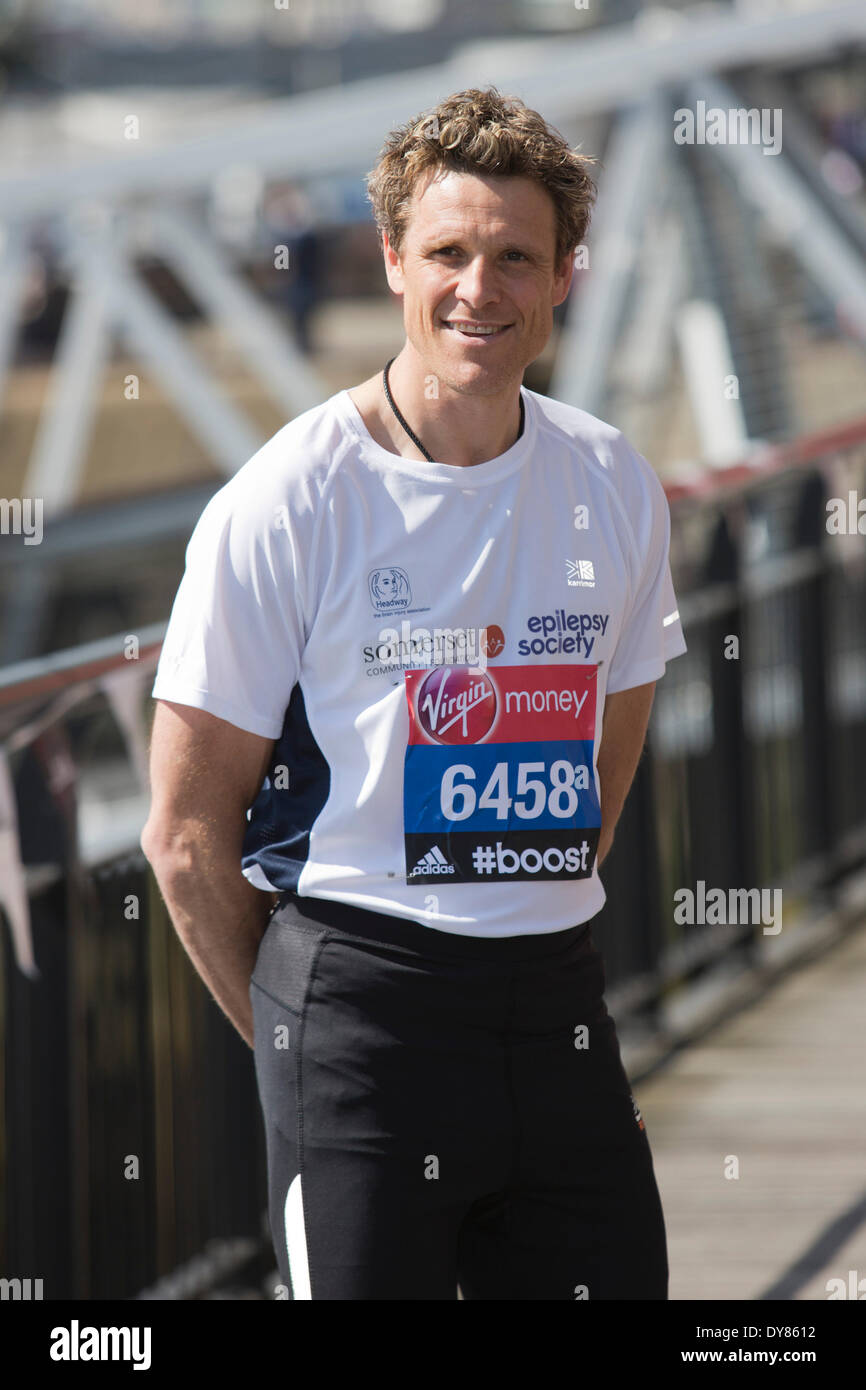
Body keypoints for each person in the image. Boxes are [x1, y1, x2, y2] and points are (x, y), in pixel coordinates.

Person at [142, 86, 688, 1301]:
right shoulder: (288, 498)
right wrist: (306, 1044)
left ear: (560, 280)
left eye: (514, 257)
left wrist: (510, 907)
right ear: (392, 259)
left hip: (557, 1011)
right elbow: (185, 839)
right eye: (445, 252)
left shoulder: (610, 479)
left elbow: (601, 771)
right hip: (361, 1018)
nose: (476, 290)